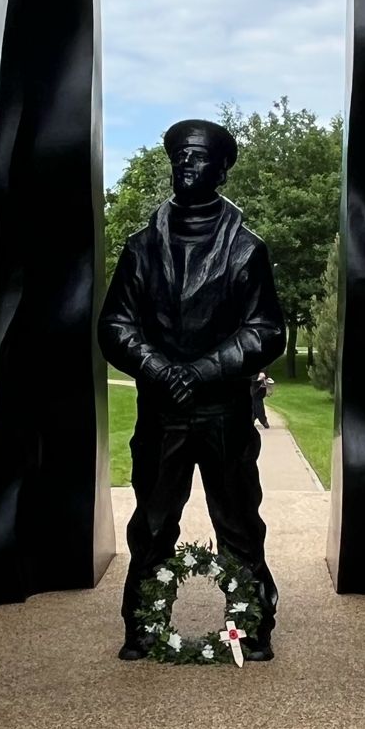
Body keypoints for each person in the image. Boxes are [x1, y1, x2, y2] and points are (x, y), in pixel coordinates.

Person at [99, 118, 286, 660]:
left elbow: (266, 329)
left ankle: (250, 623)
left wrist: (203, 370)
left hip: (223, 410)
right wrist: (157, 368)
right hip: (162, 411)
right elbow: (116, 324)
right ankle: (143, 622)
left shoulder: (247, 250)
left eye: (200, 157)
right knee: (153, 522)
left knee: (237, 520)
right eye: (180, 155)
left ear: (222, 169)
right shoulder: (141, 247)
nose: (187, 164)